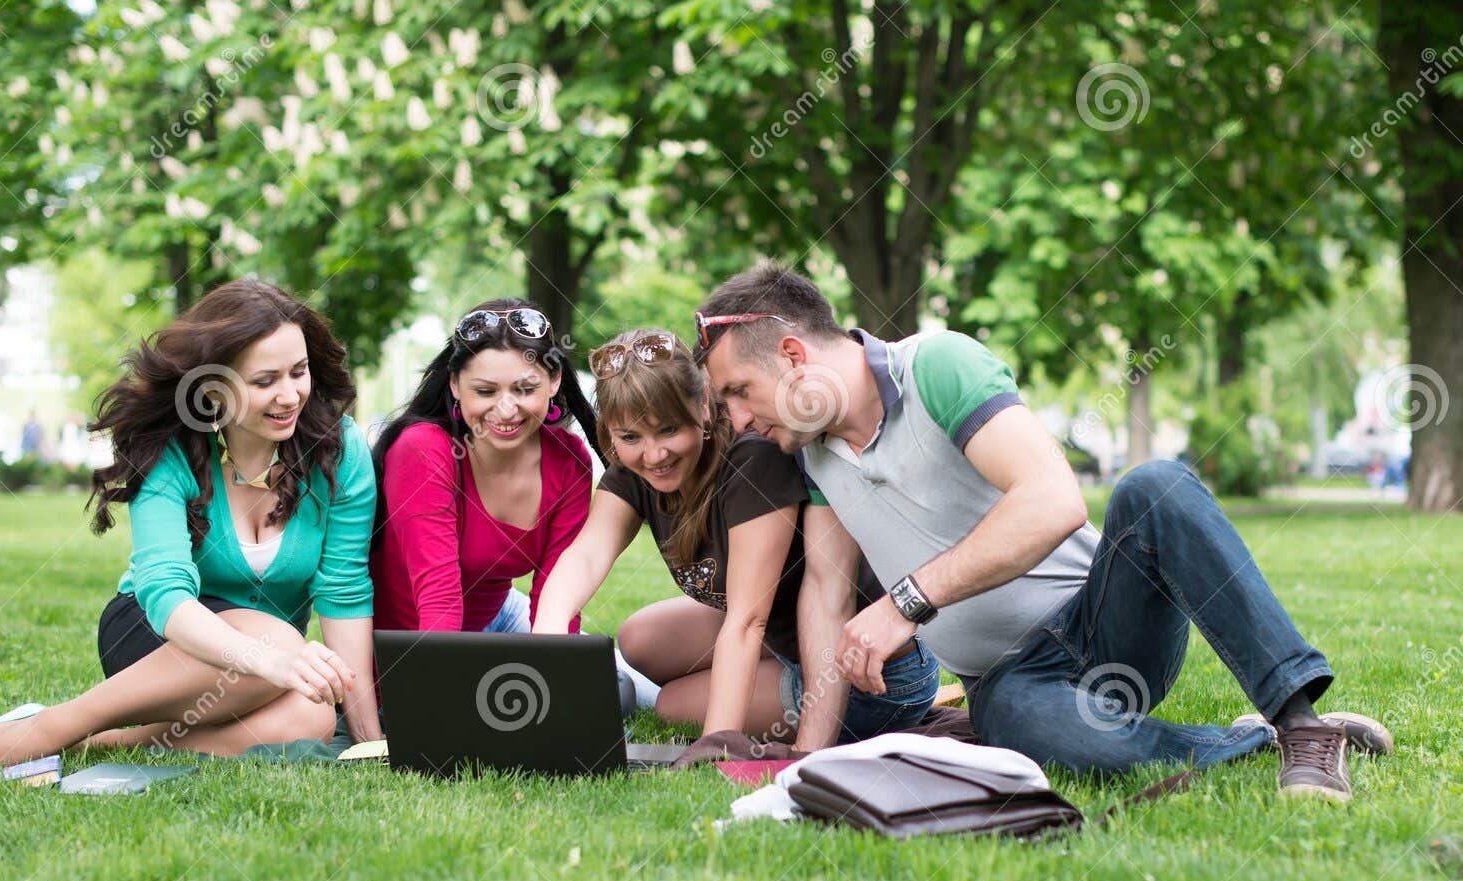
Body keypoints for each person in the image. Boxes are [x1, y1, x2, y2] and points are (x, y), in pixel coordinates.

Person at [693, 263, 1391, 799]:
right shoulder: (812, 452)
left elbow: (1054, 499)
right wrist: (811, 760)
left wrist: (907, 600)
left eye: (736, 393)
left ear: (791, 356)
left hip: (1106, 624)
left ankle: (1303, 727)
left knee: (1156, 486)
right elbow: (823, 591)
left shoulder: (936, 364)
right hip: (1010, 683)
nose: (738, 422)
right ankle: (1247, 743)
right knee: (1029, 735)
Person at [0, 279, 380, 770]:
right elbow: (166, 593)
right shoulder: (171, 449)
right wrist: (270, 657)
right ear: (213, 388)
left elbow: (344, 591)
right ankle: (54, 728)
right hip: (159, 637)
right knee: (277, 638)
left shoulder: (338, 450)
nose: (290, 394)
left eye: (299, 372)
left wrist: (369, 738)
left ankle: (99, 743)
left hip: (266, 668)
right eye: (264, 381)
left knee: (312, 718)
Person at [532, 328, 941, 757]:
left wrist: (715, 742)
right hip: (784, 644)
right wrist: (549, 639)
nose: (653, 455)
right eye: (631, 437)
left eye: (669, 429)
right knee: (638, 638)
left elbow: (747, 621)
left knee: (673, 705)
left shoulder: (753, 462)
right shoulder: (634, 473)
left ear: (703, 407)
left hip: (867, 676)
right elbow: (587, 554)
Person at [369, 299, 600, 640]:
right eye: (485, 391)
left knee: (617, 685)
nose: (506, 409)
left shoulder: (568, 459)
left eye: (525, 389)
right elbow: (439, 600)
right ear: (455, 385)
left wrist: (555, 674)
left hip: (497, 616)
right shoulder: (423, 449)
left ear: (553, 382)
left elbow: (558, 597)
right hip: (412, 642)